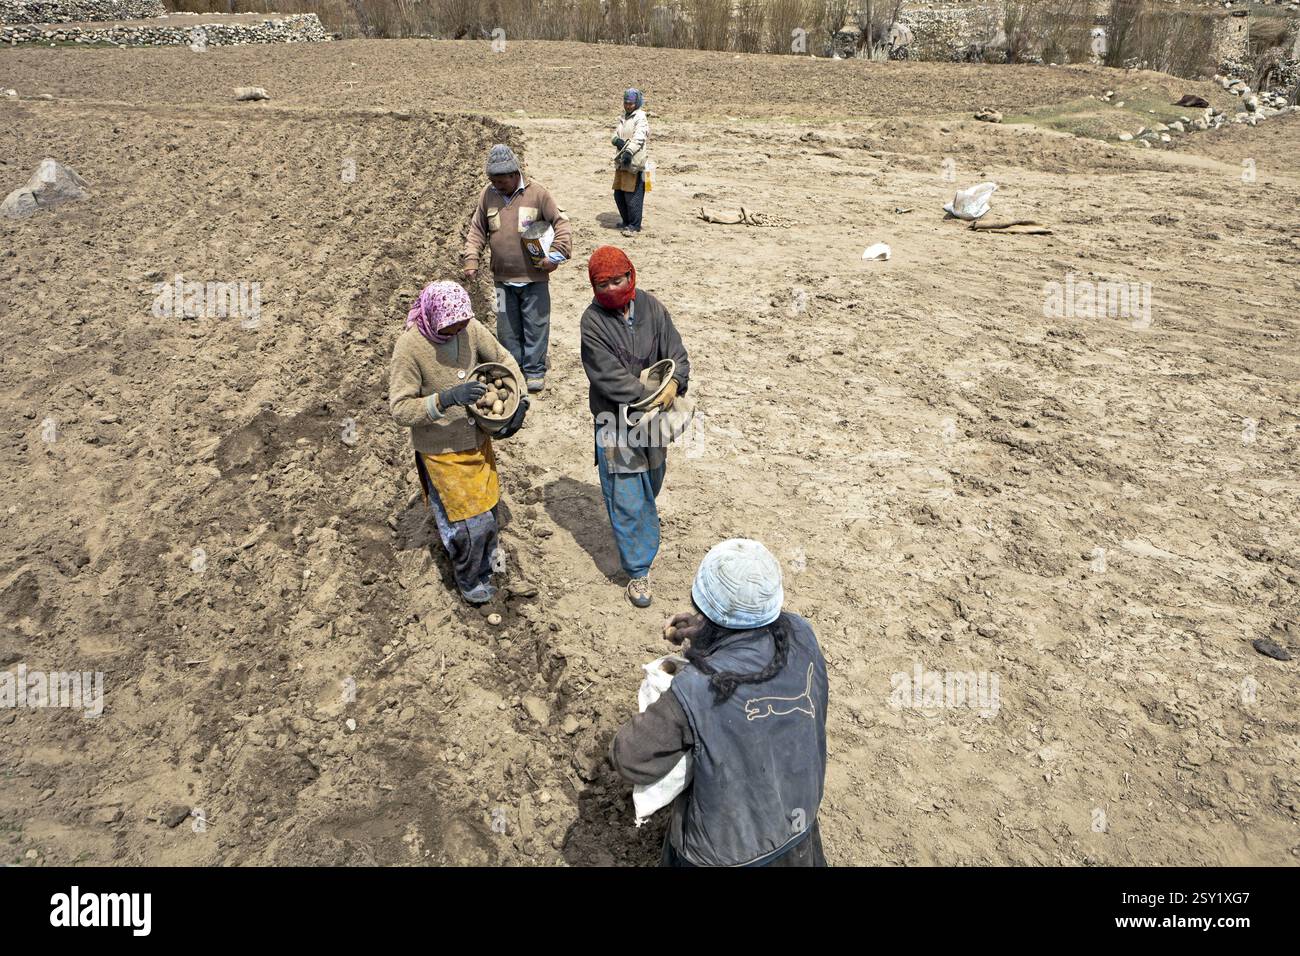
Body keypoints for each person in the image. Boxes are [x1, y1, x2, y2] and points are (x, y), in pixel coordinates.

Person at [610, 539, 830, 867]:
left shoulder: (698, 687)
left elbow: (628, 758)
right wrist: (705, 631)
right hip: (798, 833)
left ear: (704, 607)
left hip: (722, 854)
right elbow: (753, 648)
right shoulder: (801, 634)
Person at [389, 281, 528, 605]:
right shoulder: (410, 348)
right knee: (468, 523)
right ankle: (469, 579)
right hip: (441, 450)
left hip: (476, 440)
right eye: (451, 327)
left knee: (489, 508)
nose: (459, 331)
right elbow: (400, 408)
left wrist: (521, 401)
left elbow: (504, 359)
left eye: (462, 324)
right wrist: (446, 398)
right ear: (435, 319)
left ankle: (487, 564)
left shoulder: (471, 328)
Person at [580, 246, 688, 609]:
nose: (611, 288)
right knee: (628, 492)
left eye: (618, 280)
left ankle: (639, 524)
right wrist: (650, 394)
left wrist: (675, 384)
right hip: (615, 418)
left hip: (655, 418)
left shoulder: (652, 308)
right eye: (602, 283)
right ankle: (638, 570)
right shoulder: (592, 322)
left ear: (631, 274)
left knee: (651, 480)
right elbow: (606, 376)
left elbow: (677, 352)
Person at [462, 143, 572, 394]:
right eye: (492, 180)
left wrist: (554, 256)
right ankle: (513, 368)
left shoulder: (538, 194)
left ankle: (534, 369)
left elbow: (562, 225)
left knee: (536, 324)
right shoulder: (487, 195)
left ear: (515, 175)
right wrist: (472, 259)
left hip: (534, 278)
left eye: (500, 181)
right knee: (506, 327)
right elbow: (478, 230)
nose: (496, 185)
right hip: (501, 279)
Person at [611, 88, 649, 237]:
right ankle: (626, 221)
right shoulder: (624, 117)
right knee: (619, 194)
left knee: (632, 196)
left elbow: (639, 138)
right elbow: (615, 133)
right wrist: (617, 141)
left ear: (637, 103)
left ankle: (634, 225)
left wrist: (629, 152)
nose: (627, 106)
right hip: (621, 162)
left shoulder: (640, 117)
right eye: (626, 103)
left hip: (634, 163)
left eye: (631, 103)